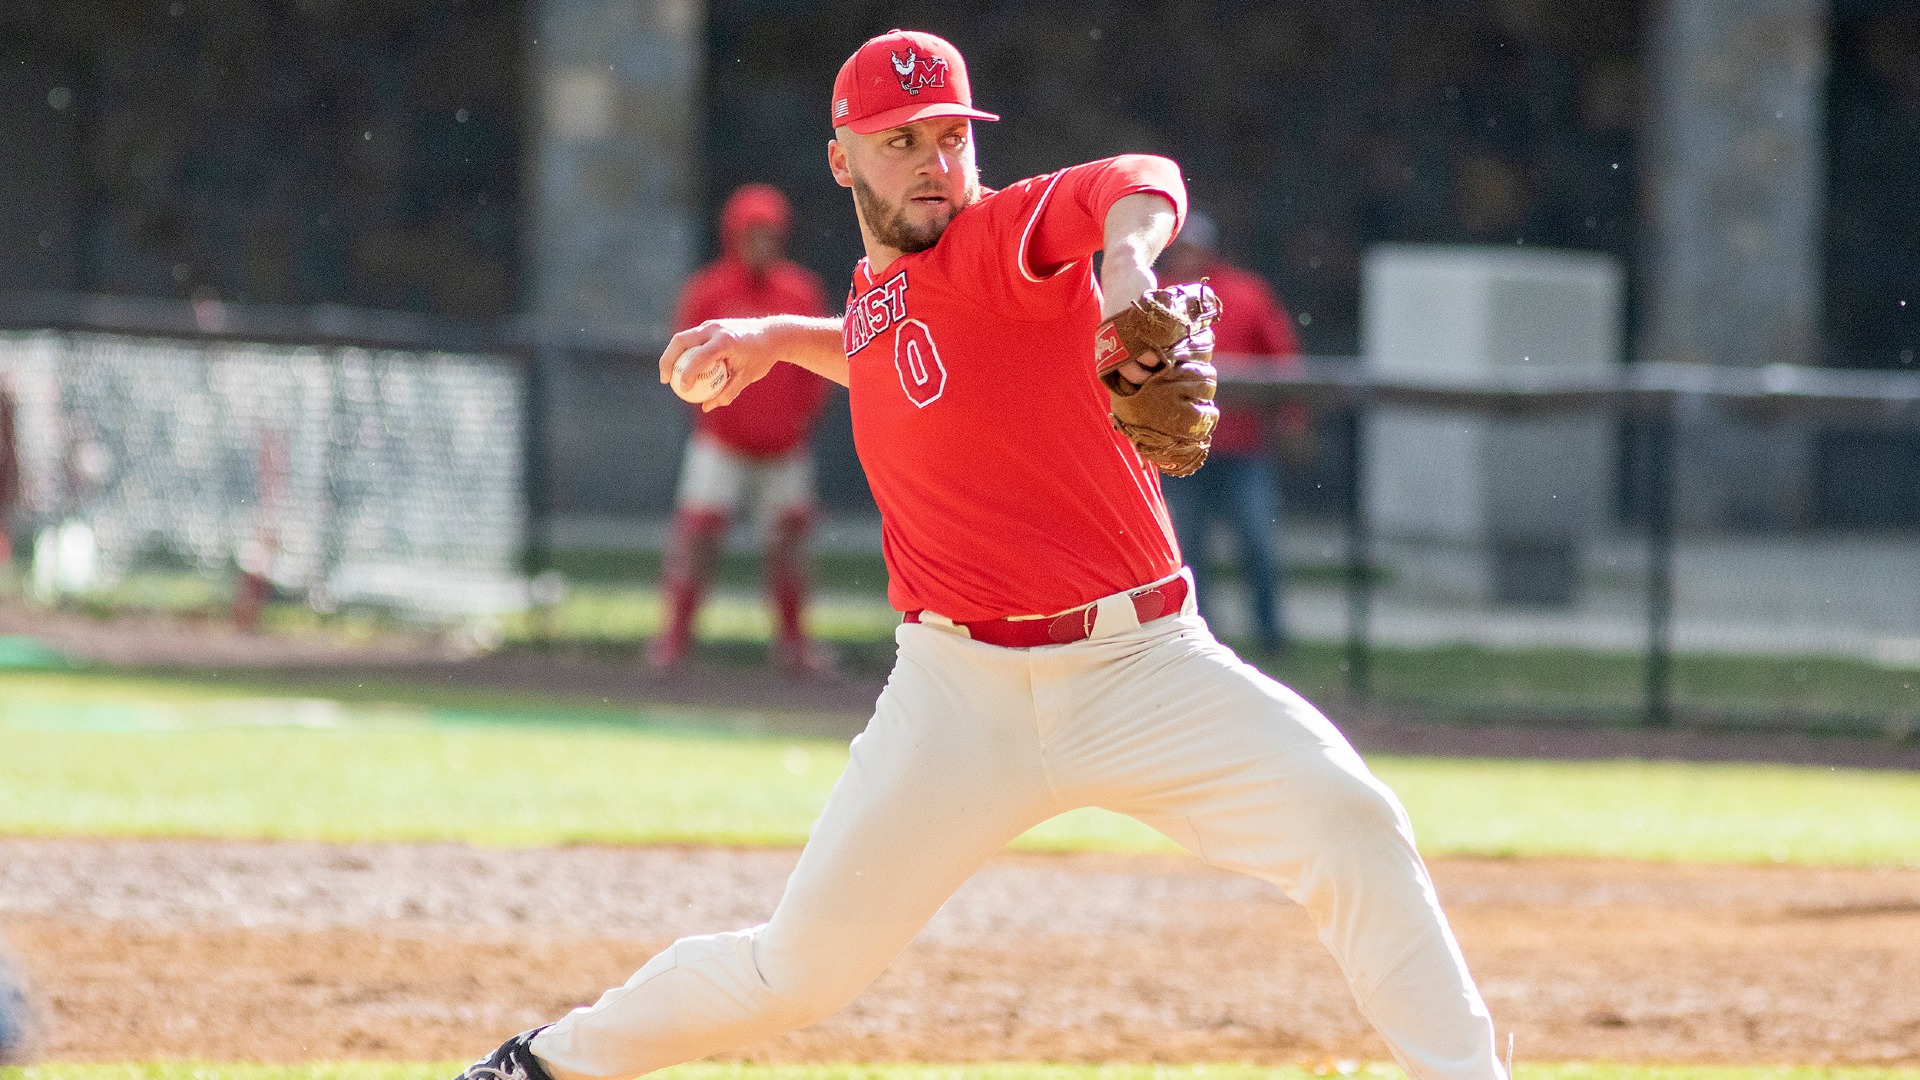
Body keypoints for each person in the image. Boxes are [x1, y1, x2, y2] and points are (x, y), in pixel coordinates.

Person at [456, 29, 1503, 1080]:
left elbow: (1140, 179)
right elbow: (890, 348)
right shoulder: (881, 294)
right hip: (956, 698)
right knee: (798, 972)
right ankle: (540, 1066)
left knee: (1350, 822)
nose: (932, 162)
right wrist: (775, 335)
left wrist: (1128, 261)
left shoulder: (1006, 235)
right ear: (842, 159)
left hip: (1142, 666)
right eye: (900, 140)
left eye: (951, 135)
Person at [647, 183, 836, 676]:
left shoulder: (799, 291)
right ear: (732, 234)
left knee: (791, 538)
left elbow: (819, 371)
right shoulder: (707, 291)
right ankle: (676, 639)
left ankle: (793, 644)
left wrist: (794, 420)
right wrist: (719, 417)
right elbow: (684, 367)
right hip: (721, 443)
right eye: (750, 232)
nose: (759, 242)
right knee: (697, 536)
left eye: (767, 233)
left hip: (783, 445)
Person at [1156, 211, 1308, 658]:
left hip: (1242, 449)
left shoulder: (1245, 292)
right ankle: (1198, 641)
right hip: (1178, 451)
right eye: (1178, 247)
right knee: (1186, 551)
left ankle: (1271, 637)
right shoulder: (1152, 295)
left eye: (1193, 247)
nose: (1186, 256)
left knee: (1258, 543)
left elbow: (1282, 361)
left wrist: (1293, 421)